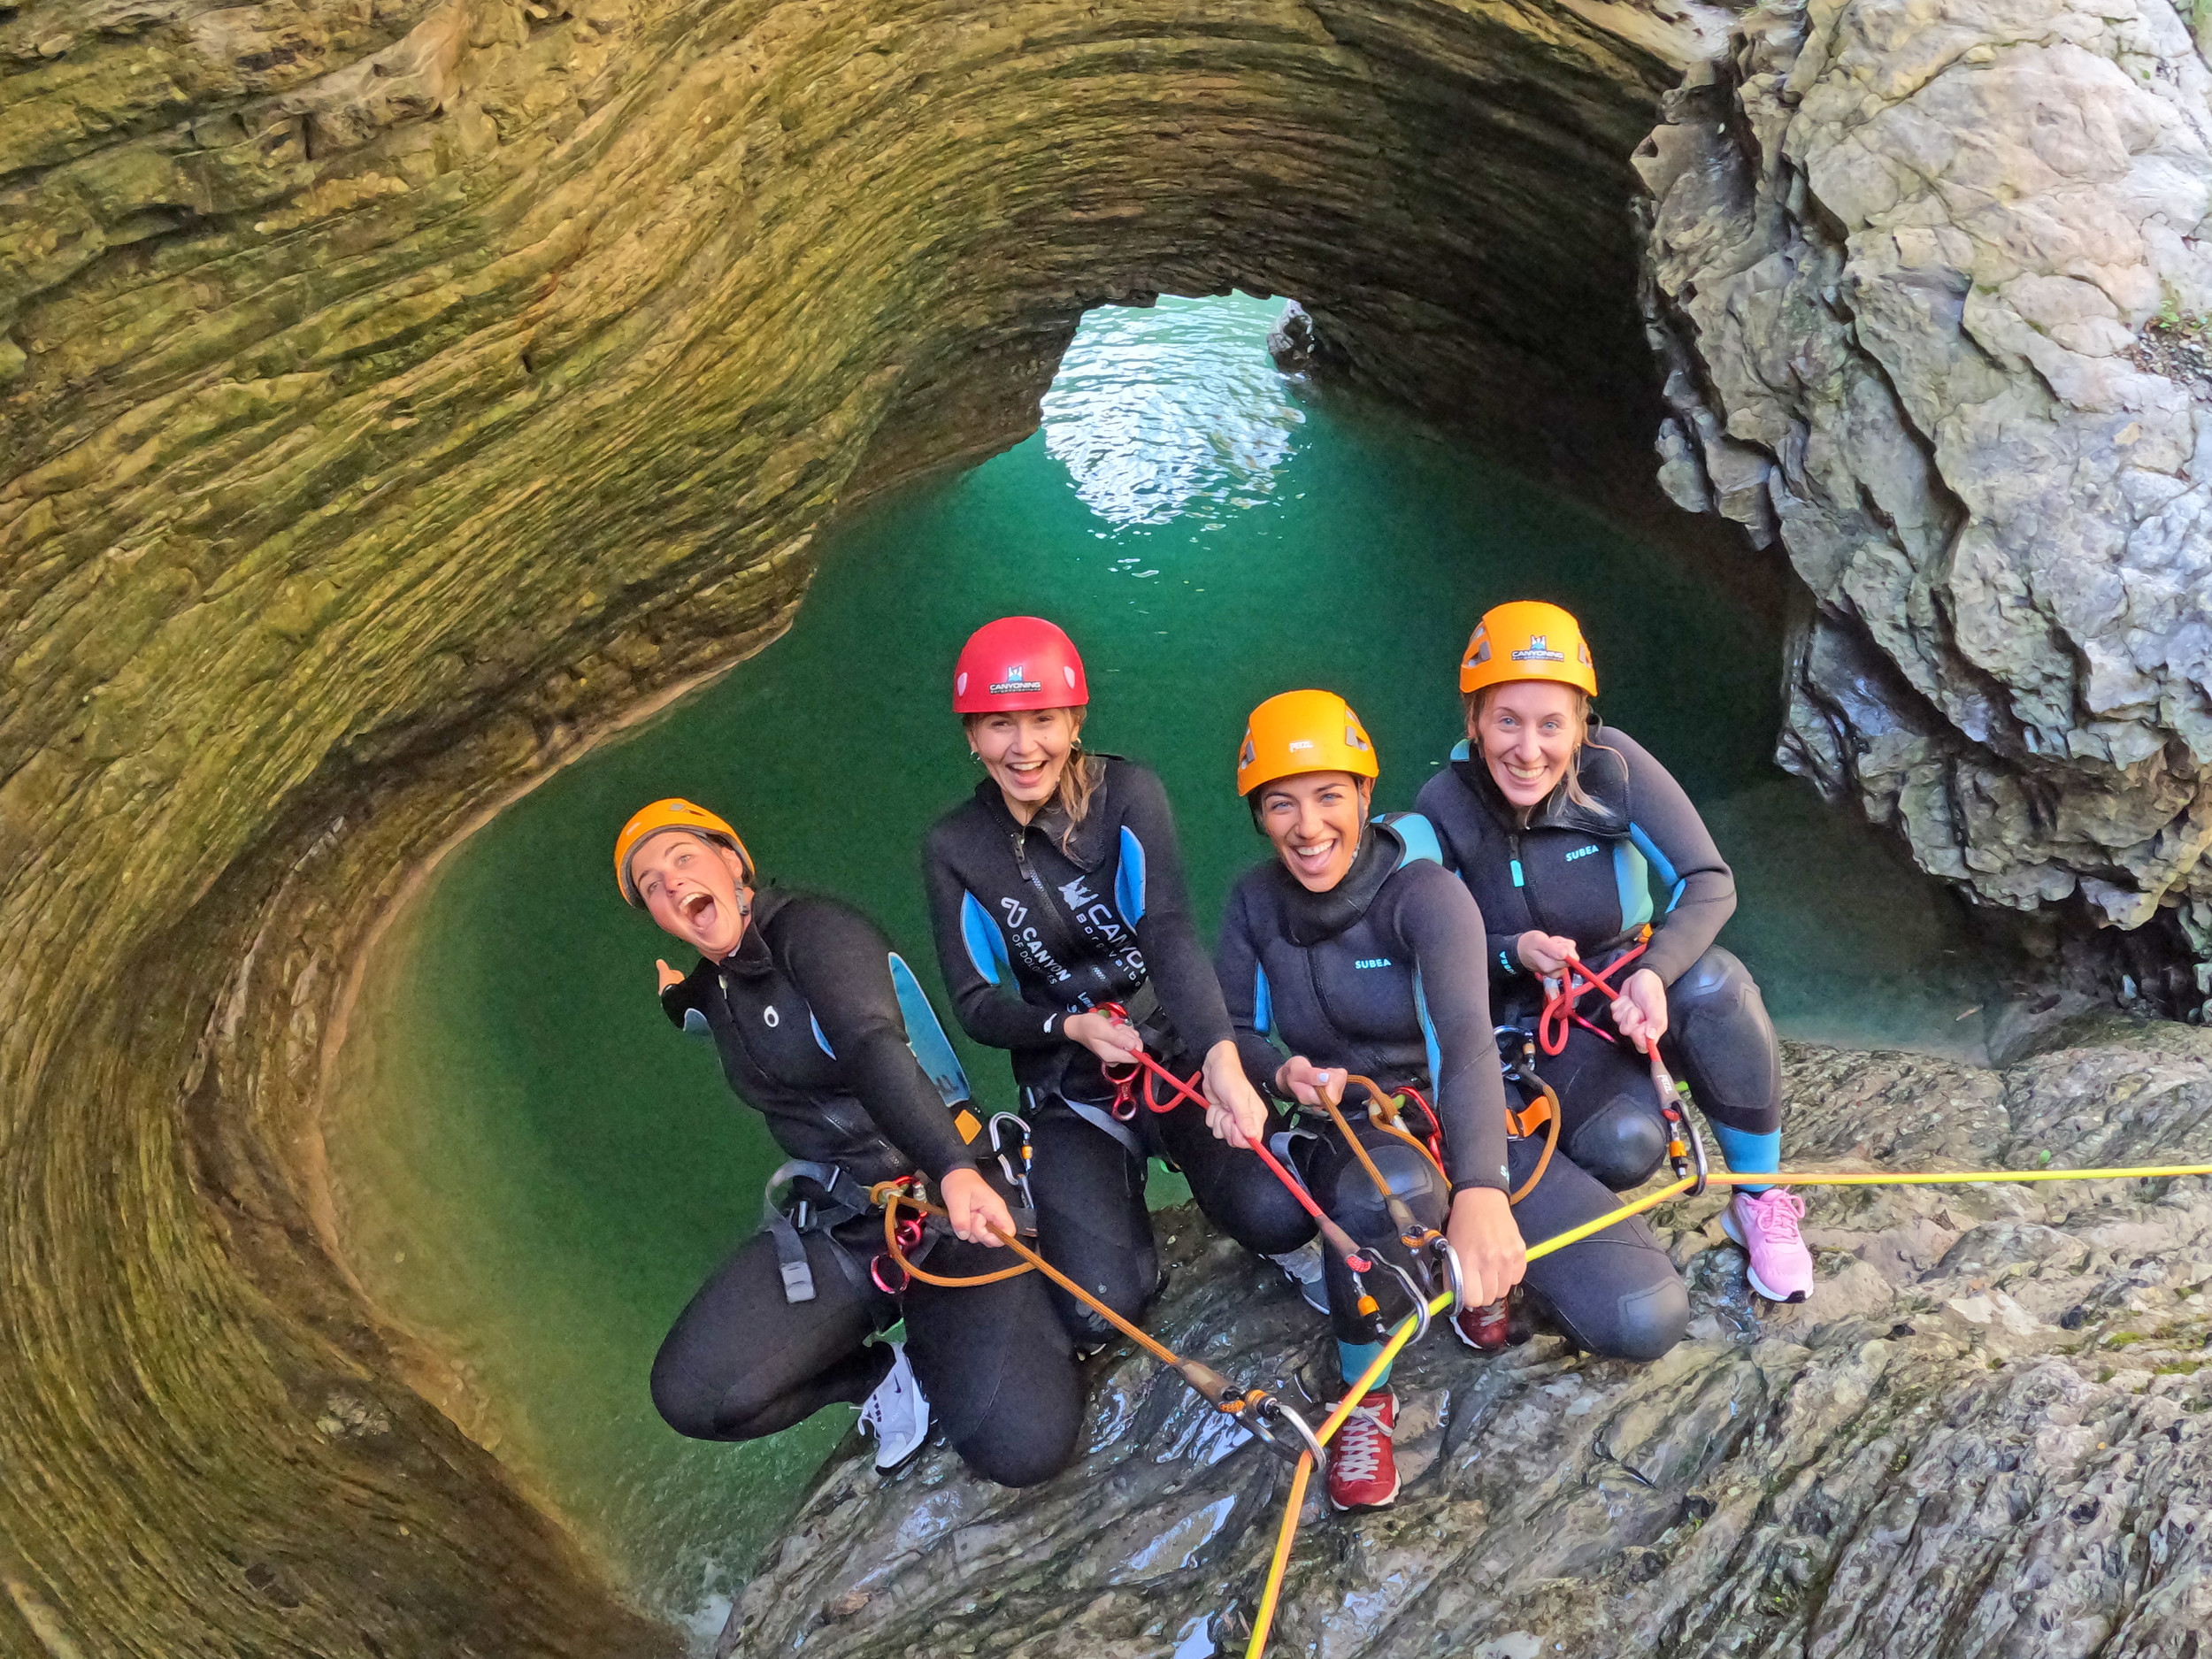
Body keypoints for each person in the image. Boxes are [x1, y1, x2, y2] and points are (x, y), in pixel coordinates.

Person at [1217, 690, 1690, 1510]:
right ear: (1258, 813)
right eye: (1281, 803)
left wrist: (1482, 1191)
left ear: (1365, 794)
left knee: (1645, 1314)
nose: (1308, 826)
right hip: (1353, 1127)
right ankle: (1364, 1394)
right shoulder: (1255, 903)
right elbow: (1235, 1030)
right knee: (1388, 1188)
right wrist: (1284, 1075)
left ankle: (1468, 1261)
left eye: (1329, 795)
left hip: (1463, 1109)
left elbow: (1464, 1041)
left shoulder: (1425, 894)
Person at [618, 797, 1081, 1487]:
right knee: (692, 1396)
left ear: (733, 861)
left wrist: (954, 1168)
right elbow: (695, 1006)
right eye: (652, 885)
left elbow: (870, 1047)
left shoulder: (815, 932)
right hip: (844, 1224)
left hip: (944, 1198)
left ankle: (992, 1304)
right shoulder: (713, 987)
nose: (671, 882)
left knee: (1024, 1446)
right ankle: (881, 1375)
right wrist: (673, 1001)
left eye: (683, 857)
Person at [921, 617, 1317, 1350]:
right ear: (971, 735)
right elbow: (975, 1003)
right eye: (1000, 724)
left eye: (1043, 719)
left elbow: (1167, 931)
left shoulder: (1127, 794)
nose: (1024, 746)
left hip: (1170, 1046)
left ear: (1075, 721)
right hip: (1069, 1081)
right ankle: (1090, 1197)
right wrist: (1069, 1027)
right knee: (1099, 1308)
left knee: (1280, 1211)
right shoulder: (955, 846)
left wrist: (1220, 1057)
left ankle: (1219, 1179)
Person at [1414, 600, 1813, 1302]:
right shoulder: (1443, 804)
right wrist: (1512, 952)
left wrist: (1655, 973)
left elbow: (1708, 881)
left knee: (1717, 986)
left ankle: (1758, 1198)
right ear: (1473, 720)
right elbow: (1428, 952)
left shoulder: (1613, 768)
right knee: (1626, 1145)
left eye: (1551, 724)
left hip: (1630, 981)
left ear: (1580, 723)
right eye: (1506, 721)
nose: (1528, 750)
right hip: (1538, 1023)